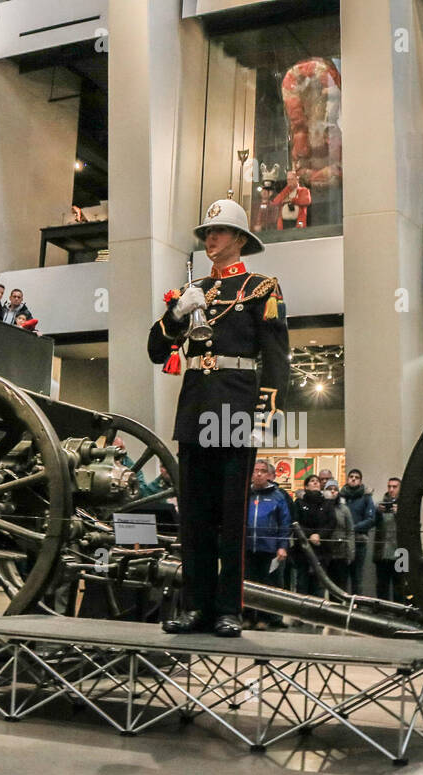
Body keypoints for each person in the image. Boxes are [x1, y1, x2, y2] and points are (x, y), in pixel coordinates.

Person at [147, 198, 289, 636]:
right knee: (194, 517)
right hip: (195, 405)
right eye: (208, 232)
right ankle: (196, 607)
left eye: (220, 231)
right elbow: (156, 352)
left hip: (236, 406)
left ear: (241, 239)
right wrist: (176, 313)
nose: (211, 238)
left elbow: (277, 357)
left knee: (230, 518)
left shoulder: (262, 287)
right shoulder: (192, 293)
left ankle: (229, 608)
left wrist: (263, 415)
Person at [244, 458, 291, 628]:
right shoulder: (245, 495)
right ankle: (247, 617)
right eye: (255, 470)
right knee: (248, 583)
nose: (258, 474)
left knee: (267, 586)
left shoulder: (278, 496)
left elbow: (285, 523)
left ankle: (264, 618)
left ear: (269, 475)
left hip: (269, 549)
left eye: (262, 471)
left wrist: (282, 546)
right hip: (248, 548)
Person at [292, 474, 331, 597]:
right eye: (312, 481)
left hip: (321, 549)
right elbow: (295, 522)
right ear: (306, 486)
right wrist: (310, 535)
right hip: (303, 550)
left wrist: (319, 535)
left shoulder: (327, 503)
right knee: (302, 583)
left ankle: (317, 614)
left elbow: (331, 523)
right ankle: (300, 614)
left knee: (319, 585)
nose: (316, 483)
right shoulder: (299, 503)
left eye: (317, 481)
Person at [340, 467, 376, 594]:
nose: (353, 479)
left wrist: (353, 529)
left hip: (359, 542)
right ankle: (340, 610)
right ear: (347, 479)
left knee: (357, 578)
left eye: (357, 478)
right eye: (351, 477)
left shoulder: (366, 497)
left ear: (360, 481)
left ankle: (356, 610)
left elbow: (371, 519)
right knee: (341, 578)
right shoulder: (340, 496)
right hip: (342, 543)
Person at [373, 477, 402, 601]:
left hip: (402, 553)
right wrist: (377, 513)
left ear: (400, 488)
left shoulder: (407, 505)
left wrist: (400, 514)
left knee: (400, 586)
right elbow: (372, 524)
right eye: (389, 486)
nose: (391, 490)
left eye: (395, 487)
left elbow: (413, 527)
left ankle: (401, 614)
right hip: (382, 553)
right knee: (382, 586)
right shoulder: (381, 505)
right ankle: (383, 614)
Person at [322, 478, 355, 588]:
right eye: (329, 489)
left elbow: (350, 531)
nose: (332, 491)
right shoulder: (321, 507)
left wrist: (350, 551)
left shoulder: (344, 509)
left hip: (341, 553)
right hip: (324, 552)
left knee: (340, 585)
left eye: (335, 489)